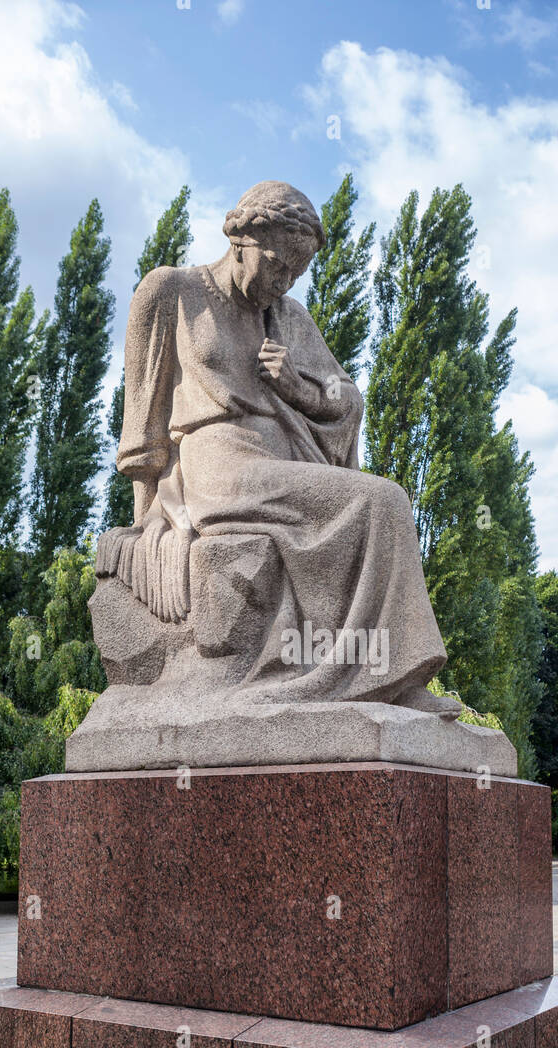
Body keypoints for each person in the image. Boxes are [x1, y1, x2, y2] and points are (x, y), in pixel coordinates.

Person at [99, 180, 457, 717]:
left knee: (379, 501)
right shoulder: (171, 292)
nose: (283, 280)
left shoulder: (288, 316)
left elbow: (346, 398)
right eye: (276, 264)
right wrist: (149, 520)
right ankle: (377, 676)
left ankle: (383, 678)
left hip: (281, 461)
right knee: (383, 502)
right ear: (242, 236)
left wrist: (296, 386)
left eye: (295, 271)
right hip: (218, 467)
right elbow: (143, 428)